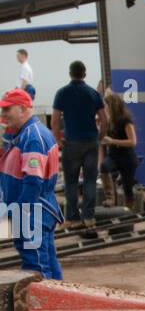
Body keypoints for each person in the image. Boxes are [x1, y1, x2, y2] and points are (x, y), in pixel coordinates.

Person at [0, 88, 63, 279]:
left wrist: (15, 214)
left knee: (36, 267)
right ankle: (59, 304)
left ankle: (46, 306)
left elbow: (33, 183)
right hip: (31, 211)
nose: (3, 114)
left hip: (31, 212)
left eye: (7, 109)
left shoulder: (33, 138)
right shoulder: (25, 133)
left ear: (22, 108)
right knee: (46, 262)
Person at [51, 61, 106, 232]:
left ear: (70, 74)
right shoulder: (93, 94)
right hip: (91, 142)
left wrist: (56, 140)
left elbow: (54, 120)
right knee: (90, 180)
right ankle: (88, 217)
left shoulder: (62, 93)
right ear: (84, 74)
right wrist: (101, 136)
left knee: (71, 182)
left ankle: (72, 218)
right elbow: (105, 119)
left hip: (71, 143)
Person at [99, 91, 138, 209]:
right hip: (114, 156)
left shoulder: (125, 120)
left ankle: (129, 208)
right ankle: (110, 198)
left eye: (106, 106)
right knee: (104, 166)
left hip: (127, 157)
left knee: (127, 187)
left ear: (112, 106)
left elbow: (133, 141)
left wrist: (113, 141)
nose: (105, 109)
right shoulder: (108, 121)